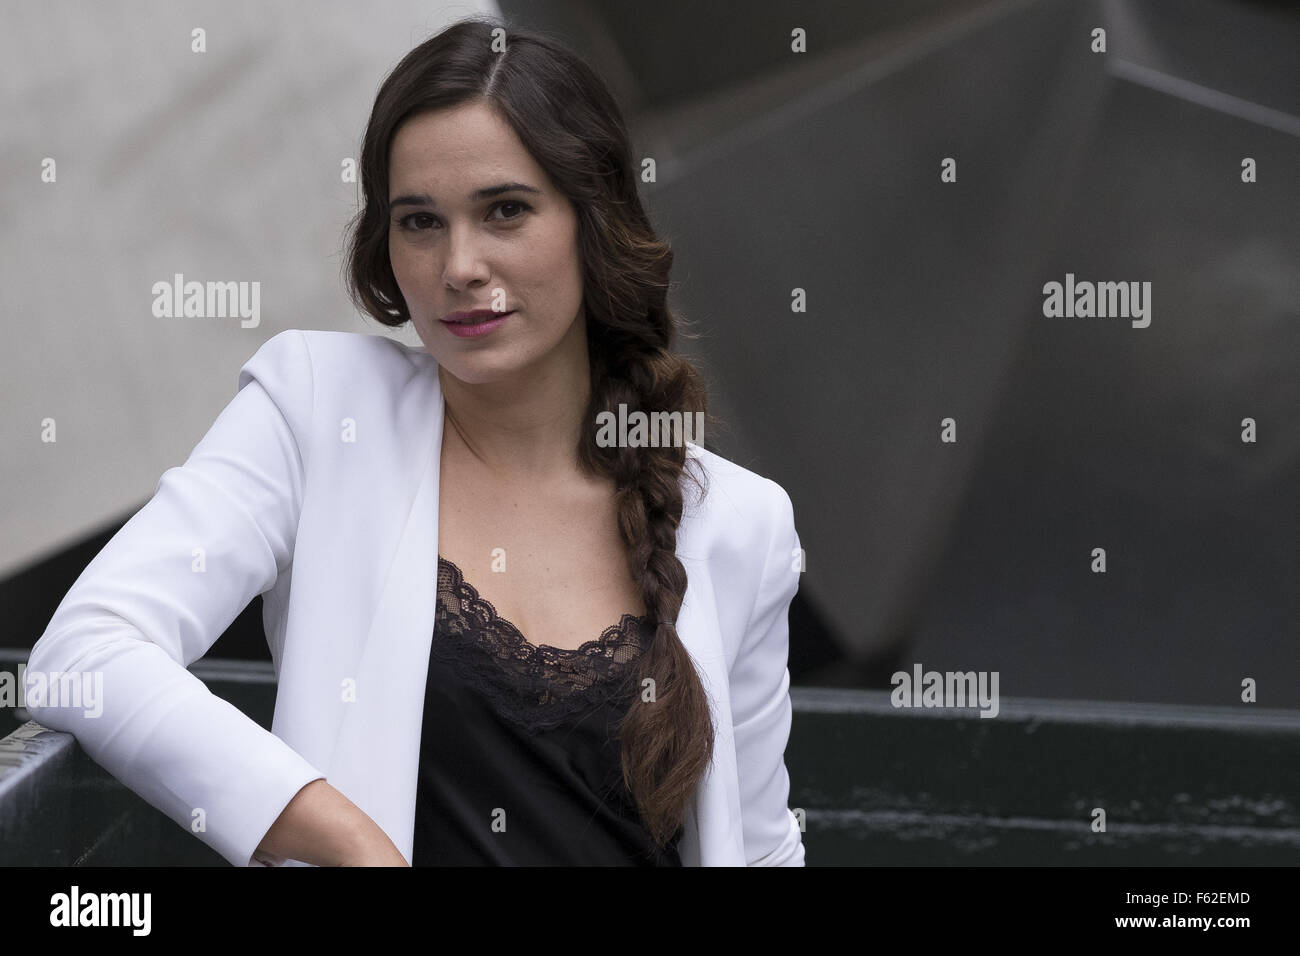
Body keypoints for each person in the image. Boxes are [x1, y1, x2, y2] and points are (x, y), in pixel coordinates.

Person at [25, 16, 805, 867]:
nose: (459, 265)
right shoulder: (318, 410)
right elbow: (88, 653)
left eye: (505, 210)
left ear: (594, 221)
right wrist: (348, 839)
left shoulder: (743, 525)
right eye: (421, 222)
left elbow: (760, 851)